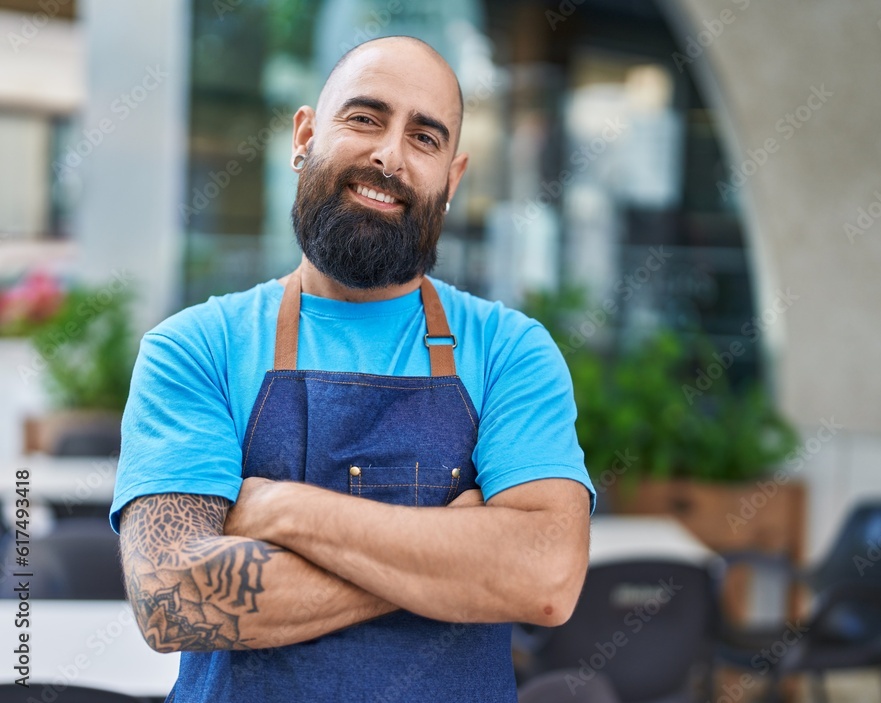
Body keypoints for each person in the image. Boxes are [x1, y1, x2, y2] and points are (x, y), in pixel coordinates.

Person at [112, 35, 596, 702]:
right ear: (304, 136)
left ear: (451, 180)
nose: (390, 155)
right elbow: (174, 601)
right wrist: (460, 556)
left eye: (424, 139)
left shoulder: (512, 350)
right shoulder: (196, 347)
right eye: (365, 118)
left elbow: (544, 579)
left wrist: (281, 508)